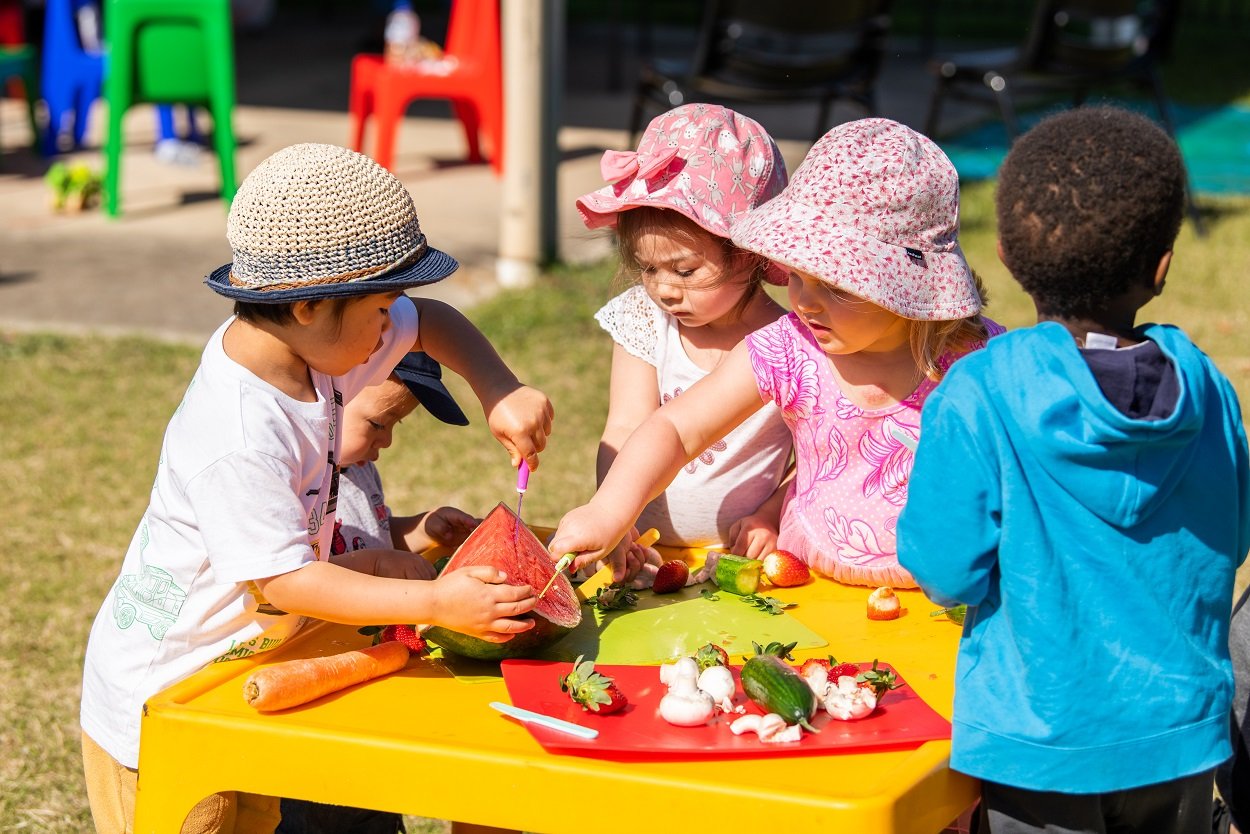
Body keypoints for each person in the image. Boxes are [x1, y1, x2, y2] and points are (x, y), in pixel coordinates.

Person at [80, 143, 553, 834]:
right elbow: (288, 584)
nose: (391, 327)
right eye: (380, 307)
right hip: (162, 711)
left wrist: (499, 389)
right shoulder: (238, 434)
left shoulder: (316, 351)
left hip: (242, 683)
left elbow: (436, 323)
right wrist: (434, 601)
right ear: (307, 306)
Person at [897, 106, 1250, 833]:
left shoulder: (979, 392)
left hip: (1040, 746)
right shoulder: (1209, 389)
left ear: (1008, 257)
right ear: (1161, 267)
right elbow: (1230, 534)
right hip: (1180, 737)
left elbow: (945, 568)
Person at [550, 118, 1000, 589]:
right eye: (798, 275)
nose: (804, 301)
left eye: (834, 286)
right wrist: (608, 511)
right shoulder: (789, 347)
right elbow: (676, 429)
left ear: (904, 284)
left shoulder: (978, 362)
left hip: (942, 591)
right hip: (806, 580)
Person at [576, 103, 794, 575]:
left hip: (741, 559)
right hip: (647, 552)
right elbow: (624, 428)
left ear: (748, 253)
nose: (663, 289)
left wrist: (769, 515)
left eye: (685, 270)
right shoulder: (645, 317)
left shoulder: (789, 341)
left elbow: (815, 458)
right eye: (647, 268)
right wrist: (617, 517)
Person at [276, 351, 476, 834]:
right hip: (313, 672)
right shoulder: (296, 481)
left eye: (394, 427)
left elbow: (373, 538)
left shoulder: (358, 468)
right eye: (379, 423)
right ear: (329, 397)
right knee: (316, 808)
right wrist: (380, 564)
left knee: (370, 794)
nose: (385, 441)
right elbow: (294, 578)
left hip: (366, 663)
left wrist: (422, 530)